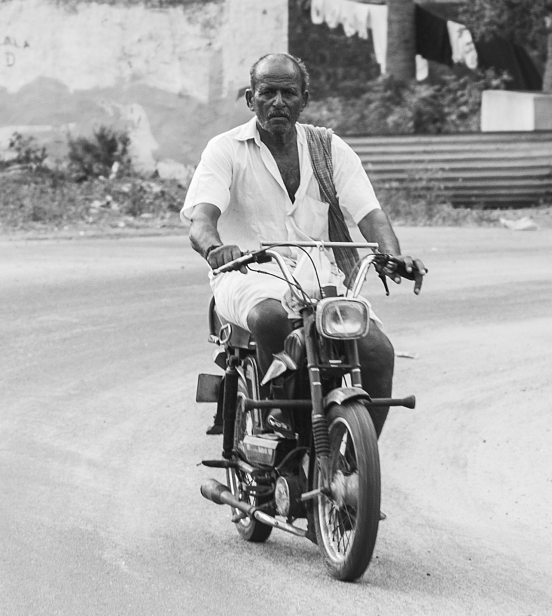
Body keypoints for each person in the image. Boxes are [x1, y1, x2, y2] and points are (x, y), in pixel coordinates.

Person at [182, 53, 425, 432]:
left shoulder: (329, 150)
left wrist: (392, 256)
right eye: (268, 93)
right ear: (251, 99)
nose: (278, 102)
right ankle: (275, 417)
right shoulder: (225, 149)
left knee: (377, 352)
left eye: (288, 93)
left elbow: (370, 215)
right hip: (248, 274)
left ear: (304, 99)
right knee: (274, 318)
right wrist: (216, 249)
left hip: (320, 277)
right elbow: (201, 219)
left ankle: (354, 464)